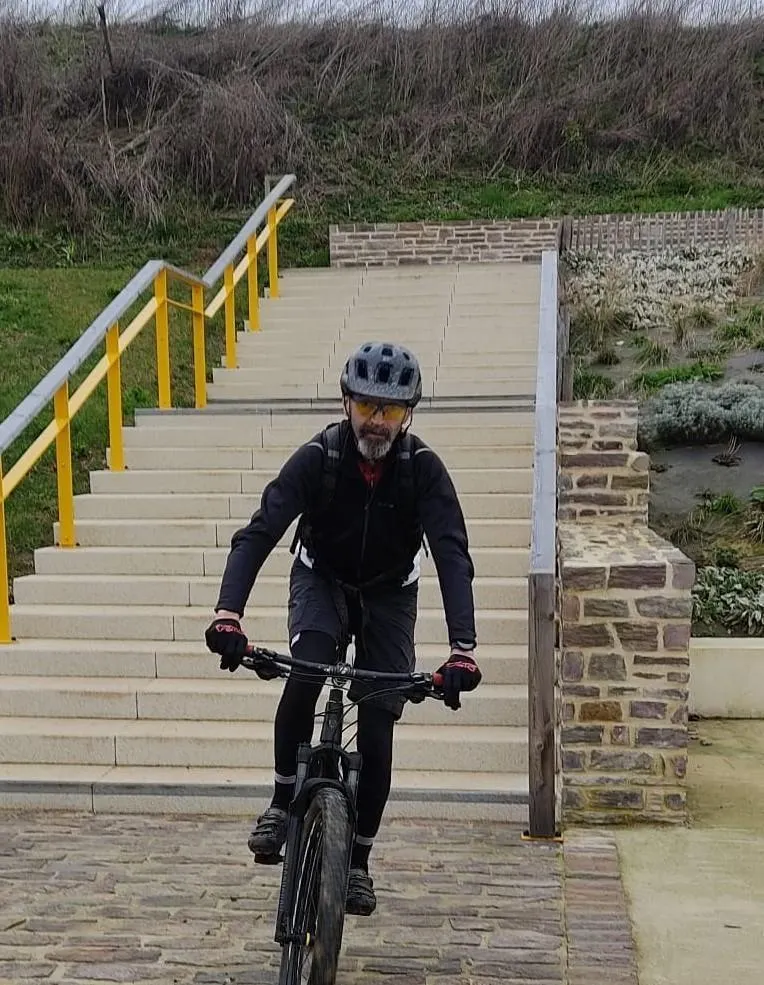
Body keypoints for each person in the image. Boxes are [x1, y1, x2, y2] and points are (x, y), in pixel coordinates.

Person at [204, 341, 482, 917]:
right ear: (345, 401)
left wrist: (463, 649)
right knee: (304, 674)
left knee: (378, 722)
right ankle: (283, 800)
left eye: (391, 410)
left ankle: (356, 863)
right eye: (366, 407)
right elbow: (259, 533)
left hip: (390, 592)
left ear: (409, 413)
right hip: (321, 580)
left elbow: (451, 553)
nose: (377, 421)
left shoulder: (421, 469)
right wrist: (228, 613)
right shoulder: (319, 457)